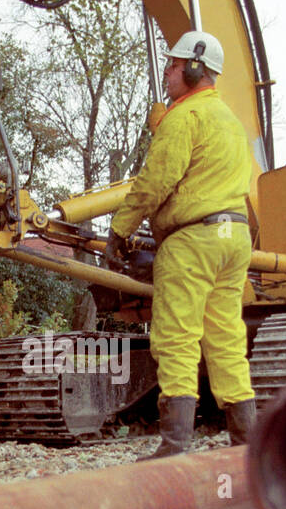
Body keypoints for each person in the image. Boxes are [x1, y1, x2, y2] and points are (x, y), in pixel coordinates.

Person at [107, 31, 257, 459]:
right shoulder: (231, 123)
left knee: (176, 336)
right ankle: (245, 443)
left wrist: (121, 228)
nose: (168, 73)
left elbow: (155, 181)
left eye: (172, 66)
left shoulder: (183, 117)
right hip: (233, 238)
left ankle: (175, 444)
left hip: (192, 239)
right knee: (226, 337)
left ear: (194, 68)